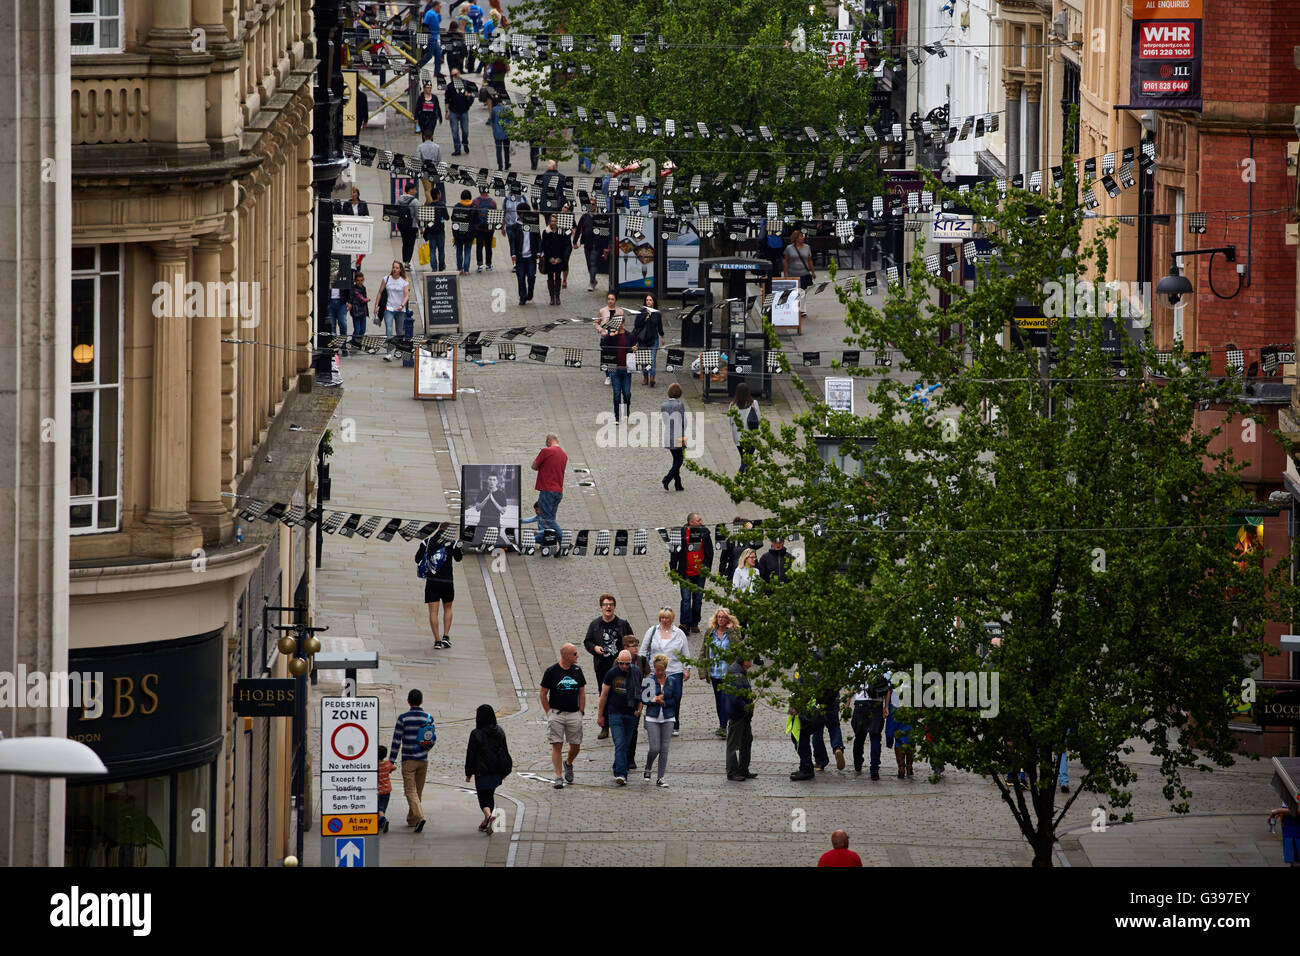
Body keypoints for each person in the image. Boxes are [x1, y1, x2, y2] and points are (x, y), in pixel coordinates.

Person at [582, 594, 633, 738]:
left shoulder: (622, 624)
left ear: (614, 607)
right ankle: (605, 726)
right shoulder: (595, 625)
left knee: (622, 692)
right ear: (601, 607)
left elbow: (631, 640)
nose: (608, 607)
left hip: (621, 666)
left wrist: (626, 654)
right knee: (604, 694)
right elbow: (587, 641)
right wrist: (594, 648)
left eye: (610, 604)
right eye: (605, 605)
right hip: (602, 666)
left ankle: (621, 722)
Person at [539, 643, 586, 789]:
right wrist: (549, 713)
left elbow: (582, 692)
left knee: (575, 745)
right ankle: (558, 776)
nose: (577, 656)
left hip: (574, 713)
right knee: (557, 745)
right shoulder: (551, 671)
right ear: (565, 655)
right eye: (574, 654)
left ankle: (569, 763)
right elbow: (543, 693)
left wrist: (581, 711)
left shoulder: (577, 671)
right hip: (557, 714)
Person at [595, 650, 642, 785]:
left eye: (627, 664)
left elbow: (639, 692)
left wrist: (639, 710)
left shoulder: (636, 672)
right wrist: (600, 715)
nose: (624, 667)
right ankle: (621, 773)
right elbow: (603, 696)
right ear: (618, 661)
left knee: (625, 745)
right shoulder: (611, 673)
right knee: (620, 743)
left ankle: (618, 767)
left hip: (631, 713)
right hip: (615, 713)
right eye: (621, 664)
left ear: (631, 662)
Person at [390, 689, 434, 832]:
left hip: (408, 760)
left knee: (410, 791)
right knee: (417, 791)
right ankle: (412, 820)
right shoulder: (428, 718)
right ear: (421, 701)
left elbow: (396, 740)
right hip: (423, 760)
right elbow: (431, 740)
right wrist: (424, 751)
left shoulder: (403, 718)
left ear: (408, 701)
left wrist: (391, 760)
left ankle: (420, 817)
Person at [642, 607, 690, 736]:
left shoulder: (679, 633)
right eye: (662, 617)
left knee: (675, 697)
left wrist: (687, 669)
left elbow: (685, 653)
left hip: (674, 670)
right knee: (652, 696)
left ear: (672, 619)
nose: (664, 620)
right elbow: (643, 650)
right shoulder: (652, 631)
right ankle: (652, 720)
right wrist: (644, 669)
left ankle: (674, 723)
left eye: (667, 618)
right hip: (653, 670)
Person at [465, 703, 512, 832]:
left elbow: (471, 754)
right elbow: (505, 751)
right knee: (490, 794)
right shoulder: (499, 731)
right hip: (496, 770)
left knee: (482, 797)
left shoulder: (476, 733)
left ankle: (488, 815)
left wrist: (468, 773)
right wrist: (507, 768)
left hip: (482, 771)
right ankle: (486, 822)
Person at [415, 533, 462, 648]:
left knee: (433, 612)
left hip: (432, 581)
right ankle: (446, 636)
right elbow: (458, 558)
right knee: (448, 608)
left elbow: (417, 559)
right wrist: (459, 547)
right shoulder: (452, 543)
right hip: (447, 582)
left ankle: (437, 640)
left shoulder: (427, 542)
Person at [642, 654, 681, 786]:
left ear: (665, 668)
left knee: (664, 748)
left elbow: (676, 699)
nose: (659, 672)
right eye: (657, 669)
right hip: (652, 717)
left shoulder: (672, 681)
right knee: (654, 748)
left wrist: (664, 701)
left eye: (661, 670)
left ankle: (660, 777)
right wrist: (655, 699)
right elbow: (643, 698)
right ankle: (648, 766)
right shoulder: (649, 681)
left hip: (668, 716)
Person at [670, 512, 712, 634]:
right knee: (686, 599)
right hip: (685, 573)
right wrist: (673, 570)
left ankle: (695, 622)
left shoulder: (704, 532)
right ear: (691, 522)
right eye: (698, 520)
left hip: (700, 573)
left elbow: (709, 551)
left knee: (698, 599)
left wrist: (707, 567)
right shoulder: (681, 534)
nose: (701, 522)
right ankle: (685, 623)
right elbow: (674, 553)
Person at [848, 667, 891, 780]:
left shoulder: (857, 667)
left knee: (859, 736)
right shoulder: (884, 669)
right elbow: (887, 690)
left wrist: (846, 706)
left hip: (860, 705)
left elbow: (850, 689)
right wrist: (886, 706)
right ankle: (874, 769)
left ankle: (857, 764)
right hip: (876, 705)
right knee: (875, 737)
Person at [703, 607, 739, 738]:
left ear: (728, 619)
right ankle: (722, 723)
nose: (721, 619)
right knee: (719, 701)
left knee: (725, 699)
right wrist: (703, 670)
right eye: (719, 617)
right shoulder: (710, 632)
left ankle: (724, 726)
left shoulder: (733, 632)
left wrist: (731, 632)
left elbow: (739, 647)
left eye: (723, 617)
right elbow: (704, 650)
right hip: (714, 672)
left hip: (728, 673)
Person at [530, 433, 566, 551]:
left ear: (549, 441)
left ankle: (563, 542)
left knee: (547, 521)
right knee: (551, 520)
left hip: (547, 490)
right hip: (558, 492)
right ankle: (550, 543)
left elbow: (534, 466)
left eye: (546, 443)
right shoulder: (564, 454)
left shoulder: (546, 451)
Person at [724, 655, 757, 781]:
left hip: (744, 715)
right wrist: (747, 707)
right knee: (733, 744)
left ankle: (743, 769)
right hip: (738, 715)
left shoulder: (740, 673)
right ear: (745, 661)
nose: (752, 662)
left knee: (746, 741)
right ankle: (732, 771)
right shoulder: (736, 675)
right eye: (751, 660)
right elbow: (736, 698)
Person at [601, 319, 637, 422]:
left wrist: (634, 348)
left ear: (623, 324)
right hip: (614, 369)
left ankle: (626, 413)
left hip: (626, 369)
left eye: (619, 323)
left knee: (627, 393)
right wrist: (610, 336)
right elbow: (603, 345)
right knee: (616, 393)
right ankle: (617, 417)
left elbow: (633, 348)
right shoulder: (612, 335)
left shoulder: (630, 335)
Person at [574, 196, 607, 292]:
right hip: (587, 244)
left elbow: (604, 232)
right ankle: (594, 279)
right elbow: (579, 230)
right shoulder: (584, 217)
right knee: (589, 264)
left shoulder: (600, 217)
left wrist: (605, 247)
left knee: (593, 263)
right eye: (590, 204)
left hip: (597, 245)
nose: (591, 206)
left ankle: (591, 282)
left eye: (593, 204)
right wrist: (575, 241)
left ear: (596, 205)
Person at [380, 260, 410, 362]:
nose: (395, 269)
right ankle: (388, 353)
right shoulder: (386, 279)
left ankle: (398, 351)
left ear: (400, 269)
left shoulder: (404, 281)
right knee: (389, 330)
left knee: (399, 332)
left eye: (397, 268)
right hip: (388, 308)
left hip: (400, 309)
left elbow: (406, 296)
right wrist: (376, 306)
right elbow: (380, 292)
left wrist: (402, 305)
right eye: (393, 267)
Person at [632, 293, 664, 386]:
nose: (648, 302)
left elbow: (658, 326)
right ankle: (645, 377)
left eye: (650, 300)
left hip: (653, 338)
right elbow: (636, 324)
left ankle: (652, 378)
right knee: (644, 359)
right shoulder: (641, 312)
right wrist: (645, 318)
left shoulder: (657, 313)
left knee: (652, 359)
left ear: (653, 301)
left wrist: (662, 336)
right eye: (647, 300)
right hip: (643, 339)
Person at [729, 381, 761, 474]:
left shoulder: (732, 405)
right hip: (750, 436)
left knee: (744, 458)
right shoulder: (754, 403)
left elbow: (730, 421)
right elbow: (758, 419)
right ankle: (740, 477)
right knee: (747, 459)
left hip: (738, 437)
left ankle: (744, 477)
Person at [660, 382, 687, 491]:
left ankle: (678, 483)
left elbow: (665, 421)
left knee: (676, 459)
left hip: (668, 434)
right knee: (679, 460)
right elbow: (683, 421)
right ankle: (668, 478)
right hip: (678, 434)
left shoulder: (664, 405)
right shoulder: (680, 405)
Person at [512, 200, 539, 305]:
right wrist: (513, 254)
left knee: (531, 276)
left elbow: (538, 238)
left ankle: (530, 292)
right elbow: (512, 241)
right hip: (520, 257)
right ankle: (522, 297)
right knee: (521, 278)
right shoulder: (515, 226)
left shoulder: (533, 223)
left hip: (531, 256)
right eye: (523, 214)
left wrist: (539, 251)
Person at [541, 214, 568, 306]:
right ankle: (552, 297)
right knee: (550, 277)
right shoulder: (546, 232)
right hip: (549, 259)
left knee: (558, 277)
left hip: (559, 259)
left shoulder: (561, 232)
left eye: (555, 221)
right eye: (552, 221)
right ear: (549, 222)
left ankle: (558, 296)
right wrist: (550, 258)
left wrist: (560, 258)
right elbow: (544, 246)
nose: (553, 223)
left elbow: (564, 246)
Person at [444, 69, 474, 155]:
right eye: (453, 75)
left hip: (464, 111)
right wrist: (447, 111)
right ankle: (457, 149)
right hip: (453, 112)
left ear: (459, 74)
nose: (455, 76)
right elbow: (447, 100)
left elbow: (474, 94)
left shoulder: (466, 84)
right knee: (454, 131)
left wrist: (469, 96)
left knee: (465, 131)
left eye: (456, 74)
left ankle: (465, 142)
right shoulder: (450, 87)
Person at [422, 181, 448, 272]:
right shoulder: (442, 205)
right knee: (441, 250)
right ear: (438, 195)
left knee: (432, 250)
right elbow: (447, 217)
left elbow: (425, 221)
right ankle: (441, 266)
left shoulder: (429, 206)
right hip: (440, 231)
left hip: (431, 232)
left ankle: (433, 267)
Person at [395, 181, 421, 269]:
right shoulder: (415, 201)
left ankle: (404, 260)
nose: (416, 191)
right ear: (410, 190)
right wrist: (419, 226)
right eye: (414, 190)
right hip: (412, 226)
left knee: (405, 243)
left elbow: (396, 210)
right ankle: (407, 263)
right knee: (410, 244)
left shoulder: (399, 199)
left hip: (402, 225)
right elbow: (418, 215)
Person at [471, 186, 496, 273]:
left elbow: (473, 214)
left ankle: (480, 265)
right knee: (489, 247)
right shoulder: (493, 202)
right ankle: (488, 265)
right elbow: (495, 216)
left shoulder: (475, 201)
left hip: (479, 228)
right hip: (489, 228)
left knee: (479, 246)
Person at [452, 188, 475, 275]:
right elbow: (476, 220)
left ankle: (459, 269)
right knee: (467, 250)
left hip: (458, 233)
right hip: (469, 233)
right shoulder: (473, 207)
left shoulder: (457, 206)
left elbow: (453, 218)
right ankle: (466, 270)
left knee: (459, 250)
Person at [416, 130, 442, 202]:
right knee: (432, 189)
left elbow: (418, 160)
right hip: (434, 170)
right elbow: (439, 160)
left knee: (428, 190)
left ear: (424, 137)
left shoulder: (420, 147)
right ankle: (427, 206)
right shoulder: (437, 147)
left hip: (424, 170)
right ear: (432, 137)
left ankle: (431, 207)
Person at [418, 0, 443, 74]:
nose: (440, 8)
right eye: (439, 7)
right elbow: (425, 24)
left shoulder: (435, 13)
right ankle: (418, 66)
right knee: (429, 55)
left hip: (435, 36)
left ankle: (437, 72)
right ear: (435, 6)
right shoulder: (429, 13)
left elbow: (439, 21)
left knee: (438, 54)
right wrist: (427, 35)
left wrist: (439, 13)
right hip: (431, 37)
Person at [348, 271, 369, 352]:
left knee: (362, 329)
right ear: (355, 281)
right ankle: (354, 342)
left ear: (363, 280)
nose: (360, 282)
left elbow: (364, 299)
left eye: (361, 280)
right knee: (357, 329)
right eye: (358, 280)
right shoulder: (353, 289)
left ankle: (358, 342)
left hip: (363, 311)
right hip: (356, 312)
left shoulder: (364, 288)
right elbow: (360, 298)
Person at [490, 95, 511, 170]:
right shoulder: (508, 109)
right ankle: (507, 163)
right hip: (506, 132)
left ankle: (500, 165)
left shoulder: (494, 109)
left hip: (497, 132)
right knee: (506, 149)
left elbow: (492, 121)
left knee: (498, 150)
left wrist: (494, 129)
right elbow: (511, 121)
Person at [377, 744, 394, 833]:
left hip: (379, 791)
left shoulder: (375, 766)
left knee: (379, 809)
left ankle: (383, 820)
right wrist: (389, 770)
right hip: (387, 790)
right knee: (383, 807)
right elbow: (394, 767)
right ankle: (380, 823)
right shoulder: (387, 764)